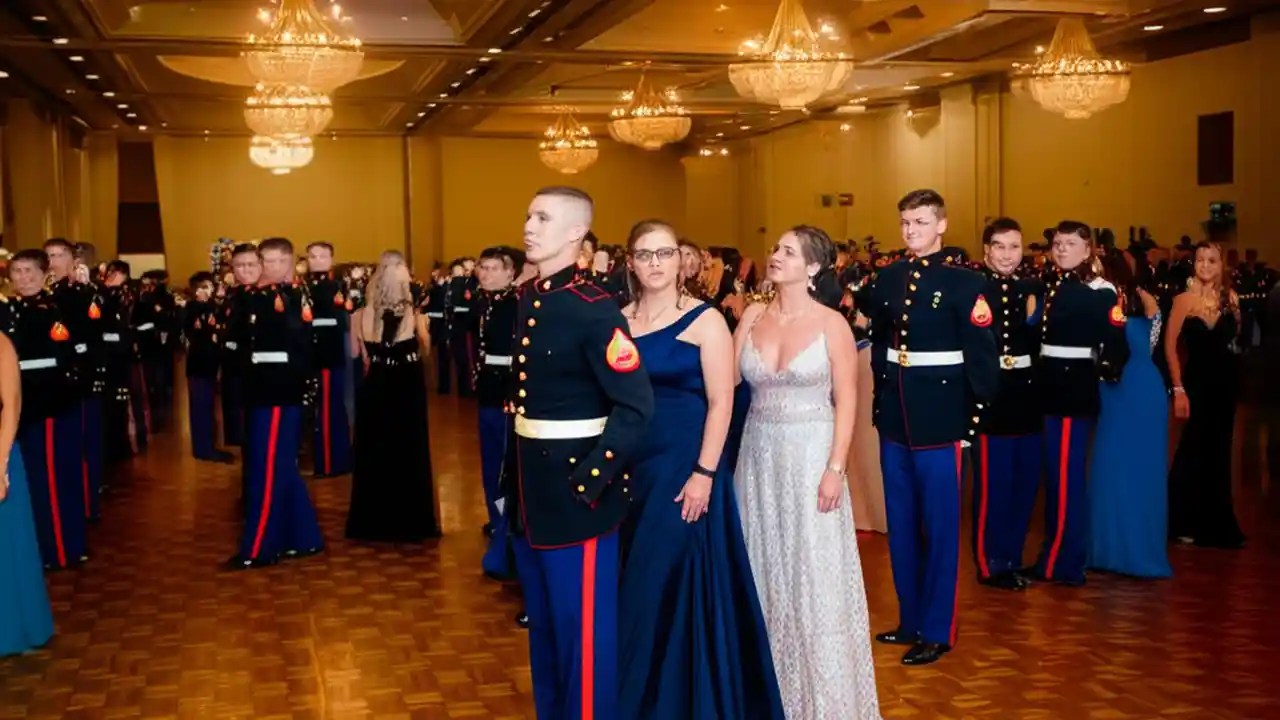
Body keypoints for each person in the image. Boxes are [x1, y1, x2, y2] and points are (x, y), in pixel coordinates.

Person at [618, 220, 783, 720]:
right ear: (630, 262)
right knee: (633, 584)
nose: (654, 264)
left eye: (663, 254)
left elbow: (722, 402)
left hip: (683, 467)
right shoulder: (616, 319)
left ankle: (676, 701)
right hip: (631, 468)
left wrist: (704, 474)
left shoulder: (705, 319)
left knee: (663, 580)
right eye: (644, 255)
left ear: (680, 261)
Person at [506, 186, 654, 720]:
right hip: (533, 494)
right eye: (528, 214)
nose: (528, 225)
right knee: (546, 633)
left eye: (542, 217)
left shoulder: (594, 309)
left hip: (577, 496)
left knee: (584, 639)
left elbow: (636, 406)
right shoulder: (531, 297)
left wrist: (591, 479)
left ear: (575, 233)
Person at [734, 225, 881, 715]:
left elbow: (848, 400)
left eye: (788, 251)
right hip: (756, 459)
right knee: (760, 568)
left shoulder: (830, 324)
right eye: (775, 248)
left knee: (813, 576)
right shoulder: (753, 314)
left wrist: (835, 468)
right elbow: (727, 379)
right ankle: (763, 691)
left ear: (814, 267)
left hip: (812, 455)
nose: (775, 256)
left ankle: (823, 702)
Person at [862, 190, 999, 666]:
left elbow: (983, 359)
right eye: (904, 222)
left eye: (920, 222)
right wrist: (880, 404)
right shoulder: (888, 277)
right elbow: (881, 343)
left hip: (941, 420)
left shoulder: (965, 283)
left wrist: (970, 421)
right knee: (901, 525)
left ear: (941, 225)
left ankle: (938, 630)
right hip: (896, 418)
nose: (910, 231)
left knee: (940, 529)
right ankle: (910, 619)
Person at [1031, 221, 1129, 585]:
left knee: (1067, 480)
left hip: (1074, 390)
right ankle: (1053, 555)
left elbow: (1116, 344)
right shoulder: (1052, 284)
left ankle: (1064, 562)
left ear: (1088, 250)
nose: (1061, 250)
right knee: (1054, 479)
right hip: (1050, 387)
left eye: (1070, 244)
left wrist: (1104, 369)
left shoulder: (1100, 291)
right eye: (1057, 243)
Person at [229, 238, 324, 569]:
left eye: (271, 262)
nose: (264, 268)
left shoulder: (288, 297)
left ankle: (260, 547)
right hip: (263, 392)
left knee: (267, 471)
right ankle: (305, 536)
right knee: (280, 467)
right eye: (261, 261)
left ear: (287, 263)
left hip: (278, 394)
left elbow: (298, 351)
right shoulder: (258, 297)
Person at [345, 251, 442, 543]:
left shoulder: (359, 315)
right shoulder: (414, 314)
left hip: (374, 384)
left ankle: (372, 522)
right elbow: (427, 348)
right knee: (408, 450)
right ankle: (411, 521)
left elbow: (353, 353)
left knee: (374, 451)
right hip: (406, 386)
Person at [0, 250, 88, 569]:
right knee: (36, 480)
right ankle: (46, 547)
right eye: (17, 272)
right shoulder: (11, 310)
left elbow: (64, 360)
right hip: (24, 408)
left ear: (42, 273)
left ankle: (60, 551)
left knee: (52, 480)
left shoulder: (52, 309)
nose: (23, 278)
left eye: (29, 271)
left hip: (47, 405)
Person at [1088, 248, 1171, 577]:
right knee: (1121, 469)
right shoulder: (1139, 299)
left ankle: (1123, 549)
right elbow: (1148, 346)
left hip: (1128, 388)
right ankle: (1121, 548)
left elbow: (1142, 347)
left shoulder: (1126, 299)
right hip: (1128, 387)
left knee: (1129, 470)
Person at [972, 218, 1042, 590]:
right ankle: (990, 563)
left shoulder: (1032, 288)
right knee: (994, 486)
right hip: (993, 397)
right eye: (1000, 246)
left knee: (1025, 482)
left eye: (1014, 247)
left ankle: (1013, 557)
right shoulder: (975, 288)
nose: (1007, 254)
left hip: (1026, 394)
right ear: (987, 250)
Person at [1166, 241, 1245, 549]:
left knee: (1218, 451)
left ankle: (1216, 522)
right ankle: (1183, 521)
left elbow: (1234, 341)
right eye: (1200, 260)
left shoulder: (1231, 300)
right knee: (1193, 448)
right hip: (1196, 383)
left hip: (1224, 385)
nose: (1205, 266)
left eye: (1212, 261)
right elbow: (1170, 347)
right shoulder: (1183, 301)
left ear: (1221, 265)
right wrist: (1178, 388)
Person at [0, 329, 56, 656]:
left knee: (8, 550)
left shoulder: (1, 344)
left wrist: (1, 461)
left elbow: (11, 404)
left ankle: (14, 630)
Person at [44, 238, 104, 523]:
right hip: (51, 382)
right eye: (49, 255)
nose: (53, 261)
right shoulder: (43, 294)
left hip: (79, 377)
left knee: (84, 444)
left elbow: (91, 335)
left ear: (72, 258)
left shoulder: (82, 292)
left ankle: (88, 504)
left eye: (59, 255)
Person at [474, 247, 520, 543]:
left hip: (507, 390)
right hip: (487, 389)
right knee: (489, 458)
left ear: (510, 273)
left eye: (493, 269)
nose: (486, 274)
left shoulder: (516, 304)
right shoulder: (486, 303)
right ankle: (495, 517)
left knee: (504, 460)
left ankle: (507, 522)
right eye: (483, 268)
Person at [304, 242, 352, 477]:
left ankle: (330, 463)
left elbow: (338, 320)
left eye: (323, 256)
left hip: (327, 353)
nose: (318, 260)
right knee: (319, 408)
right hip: (312, 354)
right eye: (313, 256)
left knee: (328, 409)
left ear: (331, 259)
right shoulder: (303, 286)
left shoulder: (335, 285)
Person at [183, 272, 233, 463]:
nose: (207, 291)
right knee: (201, 407)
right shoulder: (193, 309)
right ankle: (203, 448)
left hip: (211, 364)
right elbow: (198, 330)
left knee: (209, 407)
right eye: (203, 287)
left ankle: (208, 446)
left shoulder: (210, 307)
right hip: (200, 364)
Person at [219, 244, 262, 450]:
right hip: (234, 369)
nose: (246, 270)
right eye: (240, 265)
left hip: (259, 370)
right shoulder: (231, 297)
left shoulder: (268, 296)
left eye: (251, 264)